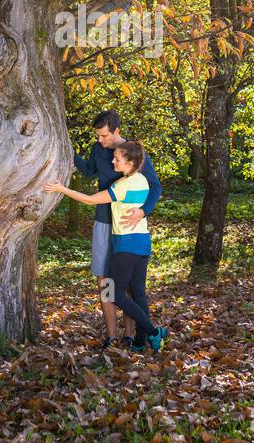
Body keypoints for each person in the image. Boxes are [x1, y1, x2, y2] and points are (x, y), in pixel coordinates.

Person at [46, 140, 167, 354]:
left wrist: (61, 188)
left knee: (113, 293)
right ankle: (140, 341)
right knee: (138, 293)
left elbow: (91, 199)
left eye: (117, 159)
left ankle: (152, 331)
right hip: (143, 244)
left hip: (125, 247)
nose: (112, 160)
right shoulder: (141, 181)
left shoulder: (121, 186)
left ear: (130, 162)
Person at [71, 110, 161, 346]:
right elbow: (89, 171)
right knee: (105, 281)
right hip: (103, 220)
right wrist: (69, 154)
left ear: (116, 131)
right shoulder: (98, 149)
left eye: (103, 136)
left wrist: (143, 211)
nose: (100, 141)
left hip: (128, 226)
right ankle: (111, 336)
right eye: (98, 136)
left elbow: (155, 188)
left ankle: (131, 335)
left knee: (130, 285)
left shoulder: (132, 154)